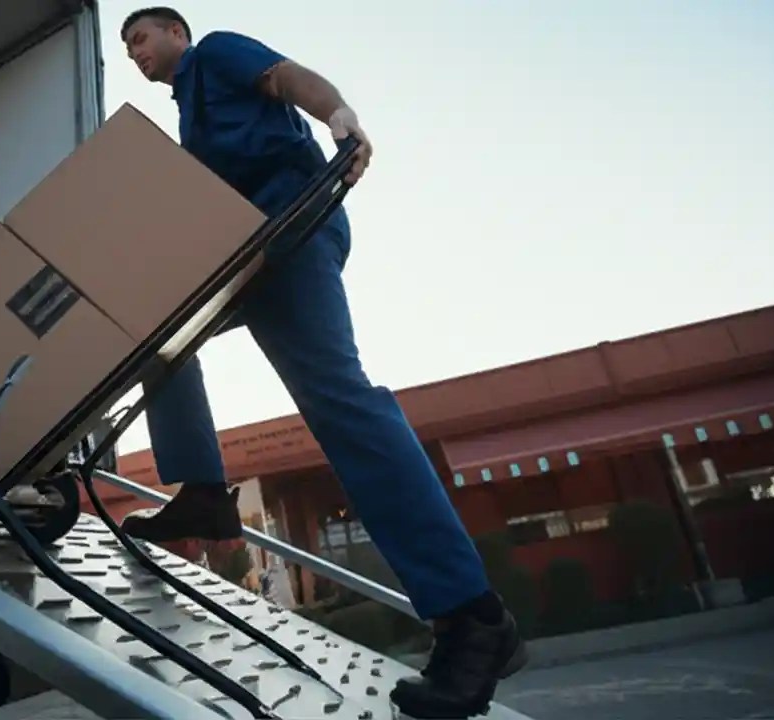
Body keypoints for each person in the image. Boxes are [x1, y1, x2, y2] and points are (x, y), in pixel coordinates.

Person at [116, 7, 526, 719]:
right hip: (250, 255)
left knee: (341, 402)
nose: (135, 54)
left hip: (296, 222)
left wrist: (339, 116)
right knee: (162, 337)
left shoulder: (214, 54)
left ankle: (472, 615)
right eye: (126, 50)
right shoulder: (188, 118)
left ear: (175, 31)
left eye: (140, 38)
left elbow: (286, 76)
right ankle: (208, 492)